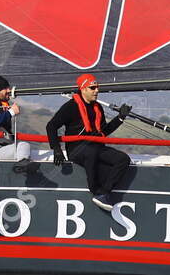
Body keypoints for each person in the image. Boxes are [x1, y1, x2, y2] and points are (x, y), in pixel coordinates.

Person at [46, 73, 131, 211]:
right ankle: (95, 189)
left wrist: (120, 118)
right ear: (83, 89)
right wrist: (56, 149)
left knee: (123, 159)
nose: (96, 91)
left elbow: (104, 131)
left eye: (97, 87)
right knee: (91, 152)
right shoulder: (71, 106)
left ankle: (104, 193)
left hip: (95, 147)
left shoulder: (98, 108)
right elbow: (51, 126)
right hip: (76, 149)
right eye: (92, 88)